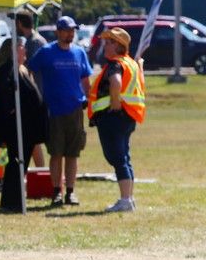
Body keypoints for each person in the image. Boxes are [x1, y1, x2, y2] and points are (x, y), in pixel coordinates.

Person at [27, 15, 93, 206]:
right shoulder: (46, 52)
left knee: (72, 153)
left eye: (73, 30)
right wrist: (33, 94)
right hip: (53, 111)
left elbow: (85, 80)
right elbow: (29, 69)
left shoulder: (79, 53)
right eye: (66, 30)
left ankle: (70, 192)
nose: (70, 33)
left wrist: (89, 100)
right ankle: (56, 191)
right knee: (56, 153)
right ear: (58, 31)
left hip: (75, 110)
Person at [87, 27, 146, 213]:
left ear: (118, 45)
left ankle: (125, 200)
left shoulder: (115, 64)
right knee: (124, 157)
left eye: (109, 42)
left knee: (117, 157)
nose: (105, 45)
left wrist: (114, 102)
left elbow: (116, 83)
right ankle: (129, 198)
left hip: (113, 117)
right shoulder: (130, 63)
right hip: (127, 117)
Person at [0, 38, 48, 212]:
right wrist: (13, 112)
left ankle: (14, 199)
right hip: (16, 127)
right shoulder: (8, 70)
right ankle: (11, 201)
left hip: (28, 126)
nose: (25, 51)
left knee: (20, 163)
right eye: (22, 48)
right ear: (13, 50)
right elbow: (5, 98)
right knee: (16, 163)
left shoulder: (22, 69)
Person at [15, 9, 47, 167]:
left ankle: (42, 171)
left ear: (19, 24)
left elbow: (29, 70)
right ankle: (40, 170)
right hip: (39, 95)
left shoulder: (33, 42)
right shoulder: (35, 40)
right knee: (34, 139)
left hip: (39, 95)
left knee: (36, 137)